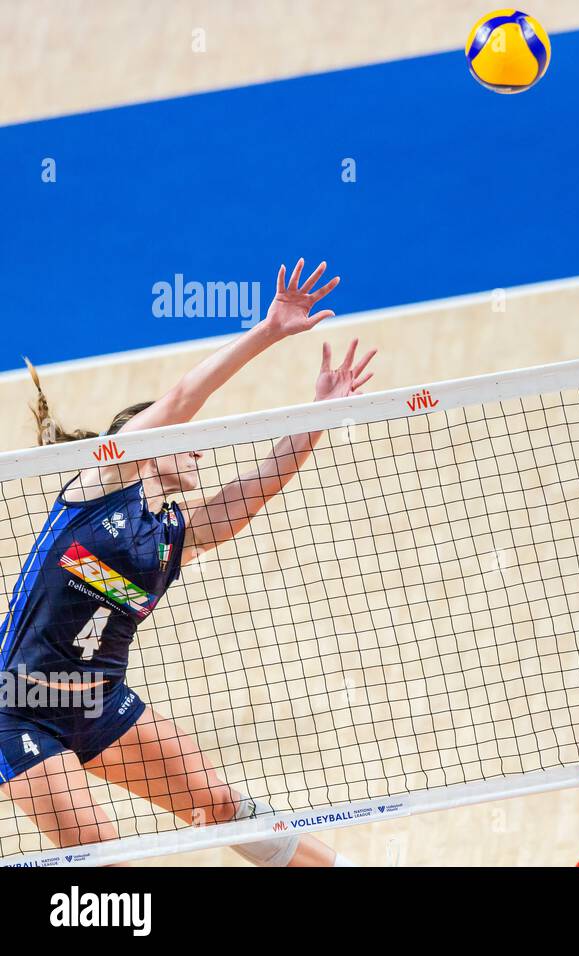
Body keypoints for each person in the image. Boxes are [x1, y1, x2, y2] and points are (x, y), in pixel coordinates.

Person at [0, 259, 374, 866]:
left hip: (98, 705)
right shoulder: (100, 486)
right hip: (19, 708)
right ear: (142, 447)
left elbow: (255, 491)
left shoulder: (173, 534)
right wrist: (269, 330)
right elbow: (181, 398)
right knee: (101, 854)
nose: (199, 442)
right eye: (184, 435)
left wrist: (318, 417)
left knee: (220, 806)